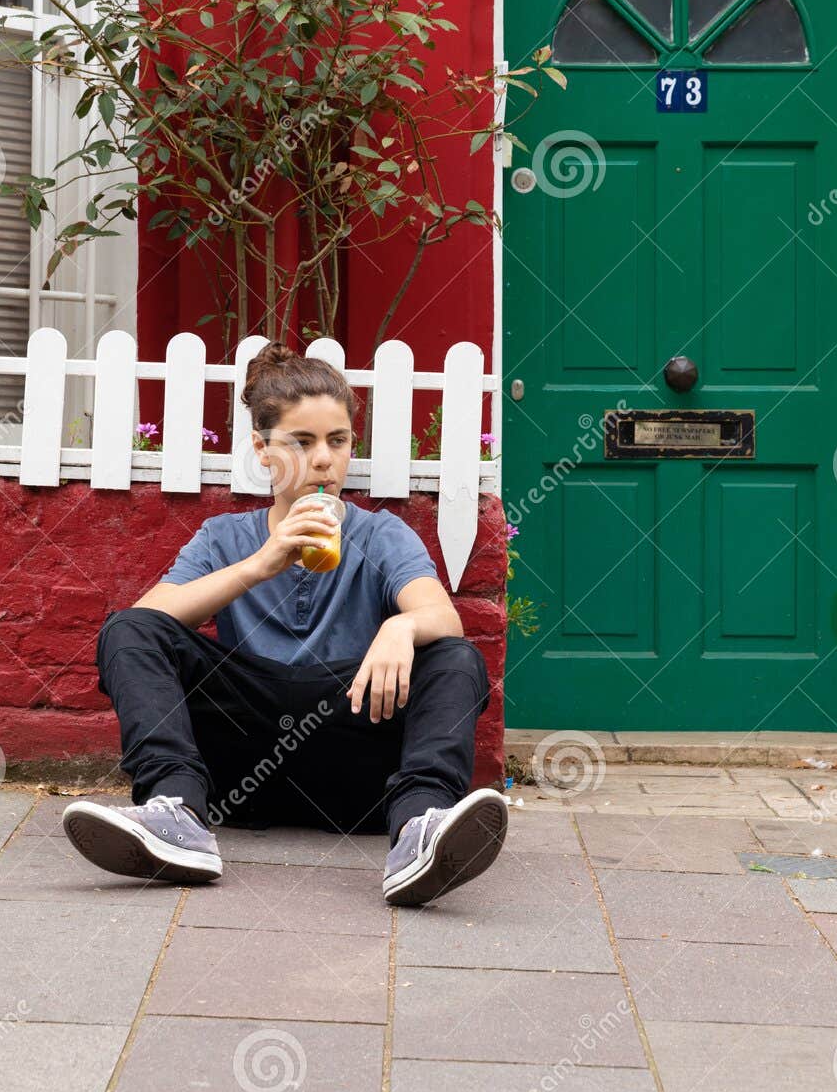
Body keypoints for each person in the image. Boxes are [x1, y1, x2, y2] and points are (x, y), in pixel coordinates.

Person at [62, 342, 508, 906]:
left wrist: (400, 628)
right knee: (126, 629)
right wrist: (260, 564)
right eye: (301, 442)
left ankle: (420, 828)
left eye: (338, 441)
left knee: (454, 656)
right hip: (239, 770)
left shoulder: (381, 535)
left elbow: (442, 617)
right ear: (262, 449)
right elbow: (146, 622)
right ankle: (176, 815)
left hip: (354, 764)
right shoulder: (225, 538)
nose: (323, 460)